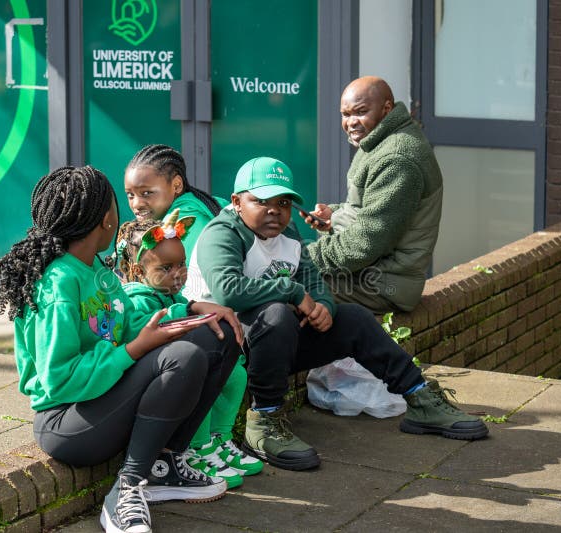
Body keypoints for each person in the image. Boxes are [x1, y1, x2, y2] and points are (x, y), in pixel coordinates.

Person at [185, 156, 487, 472]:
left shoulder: (286, 235)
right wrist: (293, 293)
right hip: (221, 346)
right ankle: (263, 422)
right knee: (276, 314)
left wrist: (324, 309)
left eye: (283, 202)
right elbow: (227, 290)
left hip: (267, 345)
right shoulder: (223, 233)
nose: (275, 210)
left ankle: (420, 398)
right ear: (237, 201)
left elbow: (313, 281)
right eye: (261, 201)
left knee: (353, 317)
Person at [0, 165, 242, 533]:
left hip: (104, 394)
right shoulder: (59, 284)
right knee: (182, 357)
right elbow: (59, 379)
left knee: (216, 333)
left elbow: (123, 328)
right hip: (68, 423)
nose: (122, 212)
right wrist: (135, 350)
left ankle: (164, 464)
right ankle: (127, 489)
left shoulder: (96, 269)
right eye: (115, 204)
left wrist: (188, 311)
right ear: (104, 220)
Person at [123, 144, 260, 481]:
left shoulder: (182, 220)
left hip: (212, 321)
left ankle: (214, 442)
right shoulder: (185, 212)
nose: (138, 203)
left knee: (228, 372)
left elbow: (185, 284)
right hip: (188, 338)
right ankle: (196, 448)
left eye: (147, 193)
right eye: (130, 195)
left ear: (176, 186)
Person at [304, 76, 444, 314]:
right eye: (345, 114)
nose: (351, 123)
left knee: (287, 287)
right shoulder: (378, 140)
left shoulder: (397, 159)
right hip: (368, 273)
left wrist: (300, 258)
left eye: (360, 112)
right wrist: (334, 218)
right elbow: (370, 212)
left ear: (386, 109)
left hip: (382, 285)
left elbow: (365, 243)